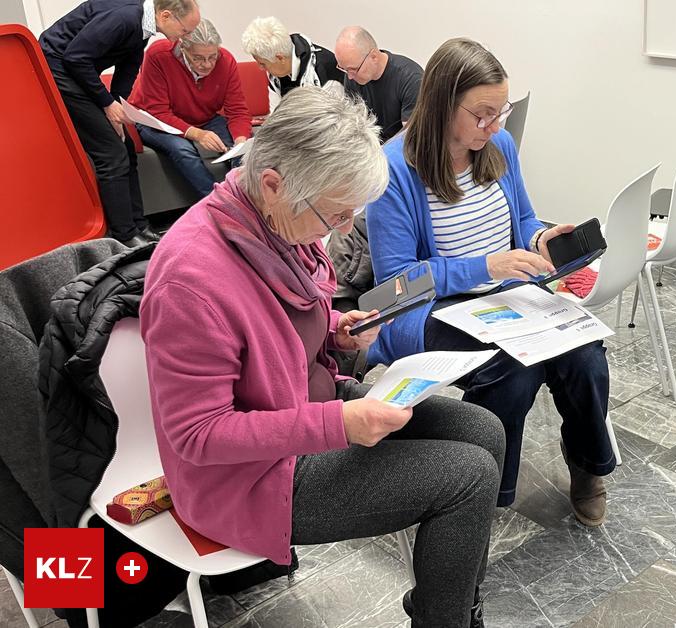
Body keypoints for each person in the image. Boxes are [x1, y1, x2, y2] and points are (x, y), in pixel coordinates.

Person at [140, 85, 503, 627]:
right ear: (273, 184)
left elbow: (276, 327)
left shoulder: (273, 221)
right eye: (334, 216)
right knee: (467, 475)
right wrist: (340, 423)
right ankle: (447, 620)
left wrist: (335, 329)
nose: (337, 231)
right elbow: (199, 436)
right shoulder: (189, 283)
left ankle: (444, 605)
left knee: (484, 430)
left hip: (309, 403)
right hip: (253, 477)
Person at [366, 38, 616, 525]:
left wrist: (541, 238)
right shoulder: (393, 169)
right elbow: (395, 285)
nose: (495, 125)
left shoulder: (496, 145)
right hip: (430, 309)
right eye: (482, 114)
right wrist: (488, 266)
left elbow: (521, 218)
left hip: (501, 296)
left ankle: (588, 465)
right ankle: (483, 491)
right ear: (442, 102)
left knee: (585, 353)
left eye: (500, 112)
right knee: (512, 370)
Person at [39, 0, 200, 247]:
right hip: (57, 67)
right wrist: (106, 103)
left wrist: (117, 105)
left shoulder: (142, 28)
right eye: (185, 31)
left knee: (125, 146)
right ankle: (124, 236)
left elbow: (127, 69)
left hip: (75, 69)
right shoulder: (125, 18)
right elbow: (75, 57)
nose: (185, 37)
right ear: (166, 16)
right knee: (111, 153)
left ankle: (139, 225)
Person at [129, 18, 250, 196]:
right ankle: (219, 203)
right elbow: (158, 111)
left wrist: (241, 141)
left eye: (212, 57)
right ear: (183, 48)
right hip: (155, 121)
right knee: (183, 149)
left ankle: (246, 199)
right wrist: (197, 134)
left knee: (243, 146)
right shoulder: (158, 55)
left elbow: (237, 110)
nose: (207, 64)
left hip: (204, 118)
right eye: (198, 58)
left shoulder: (226, 60)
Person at [334, 26, 423, 141]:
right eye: (345, 69)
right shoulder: (353, 76)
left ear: (374, 57)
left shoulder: (411, 79)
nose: (350, 76)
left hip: (397, 152)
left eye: (354, 69)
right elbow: (353, 126)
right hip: (368, 148)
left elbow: (411, 138)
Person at [240, 16, 340, 111]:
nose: (261, 68)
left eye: (263, 64)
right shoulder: (276, 70)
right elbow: (275, 115)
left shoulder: (324, 67)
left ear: (280, 58)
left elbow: (334, 121)